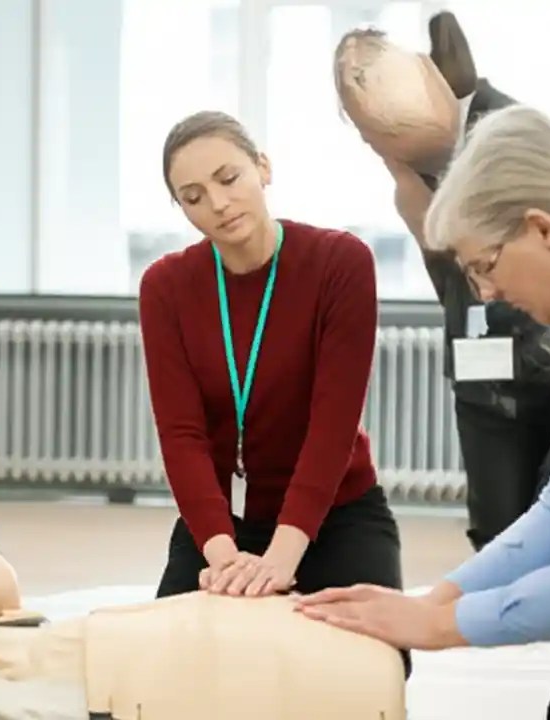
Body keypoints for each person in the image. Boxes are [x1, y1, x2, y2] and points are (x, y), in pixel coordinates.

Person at [296, 105, 550, 720]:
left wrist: (437, 627)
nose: (485, 294)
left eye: (484, 266)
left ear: (543, 228)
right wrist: (438, 600)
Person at [139, 109, 407, 665]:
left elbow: (334, 425)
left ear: (263, 167)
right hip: (221, 523)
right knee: (163, 669)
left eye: (228, 178)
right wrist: (222, 554)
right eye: (192, 196)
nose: (216, 203)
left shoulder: (340, 262)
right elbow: (181, 434)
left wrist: (284, 556)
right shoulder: (165, 286)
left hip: (336, 512)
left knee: (372, 669)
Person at [334, 14, 550, 551]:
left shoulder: (515, 130)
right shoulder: (408, 172)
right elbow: (452, 276)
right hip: (481, 373)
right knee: (496, 537)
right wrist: (407, 186)